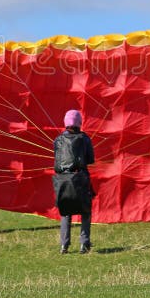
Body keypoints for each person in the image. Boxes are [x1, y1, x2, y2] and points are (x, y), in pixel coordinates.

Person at [53, 109, 95, 254]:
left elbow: (57, 159)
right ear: (79, 123)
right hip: (80, 179)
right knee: (85, 211)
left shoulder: (58, 140)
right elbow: (90, 159)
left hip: (63, 180)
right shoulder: (84, 139)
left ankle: (64, 245)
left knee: (66, 211)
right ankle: (84, 243)